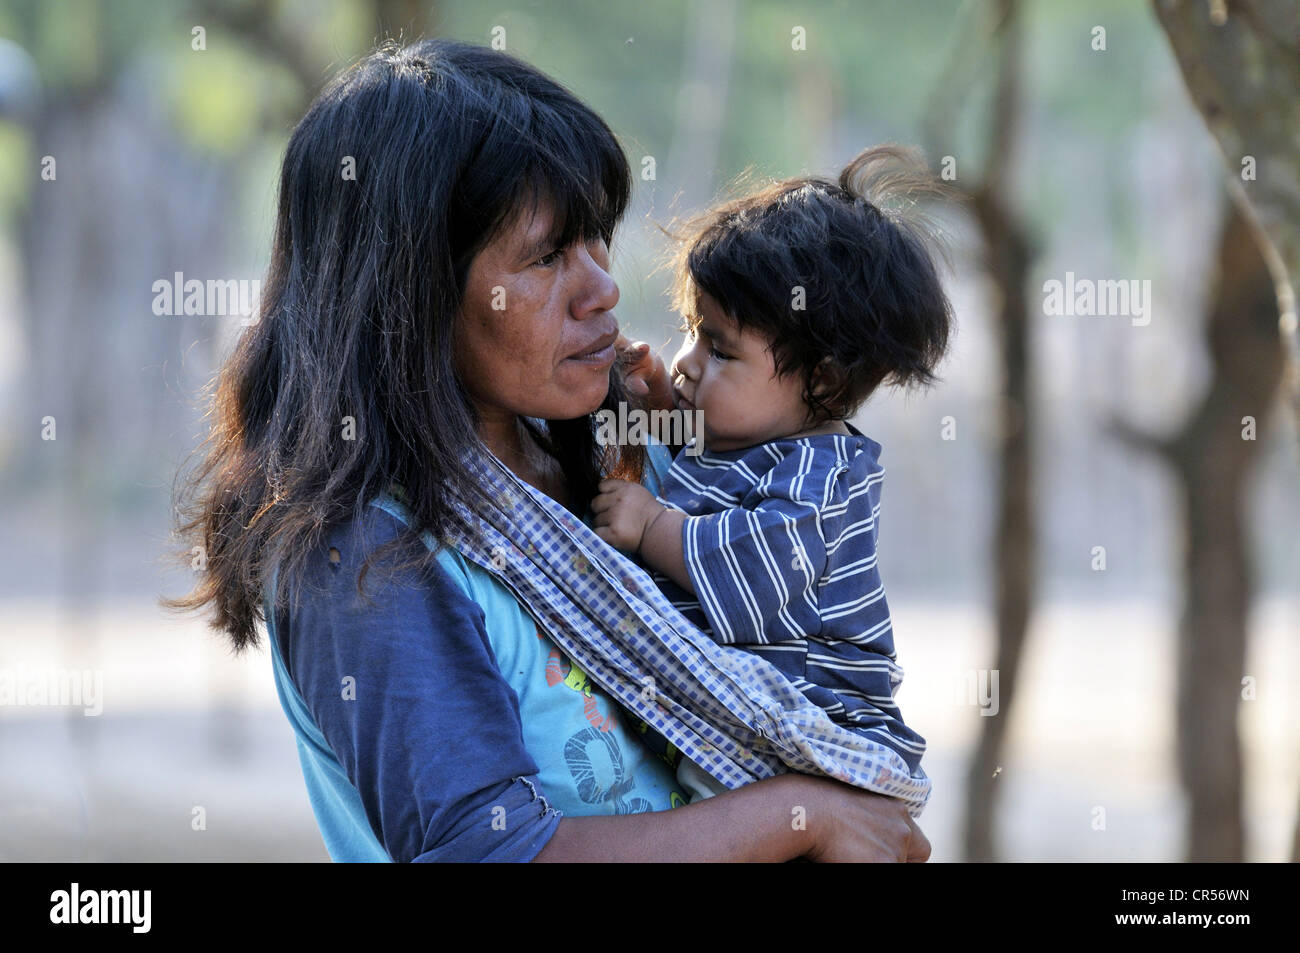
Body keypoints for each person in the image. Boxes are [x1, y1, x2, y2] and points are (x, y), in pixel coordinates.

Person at [165, 38, 931, 863]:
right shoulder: (363, 555)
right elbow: (490, 851)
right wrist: (800, 816)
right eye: (543, 255)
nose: (602, 286)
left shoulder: (614, 453)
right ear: (412, 289)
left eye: (596, 237)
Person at [591, 147, 952, 801]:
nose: (689, 362)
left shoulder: (823, 479)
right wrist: (658, 405)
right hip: (760, 728)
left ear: (823, 379)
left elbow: (754, 567)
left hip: (821, 741)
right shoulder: (753, 430)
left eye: (720, 348)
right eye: (691, 330)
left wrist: (649, 527)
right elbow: (708, 457)